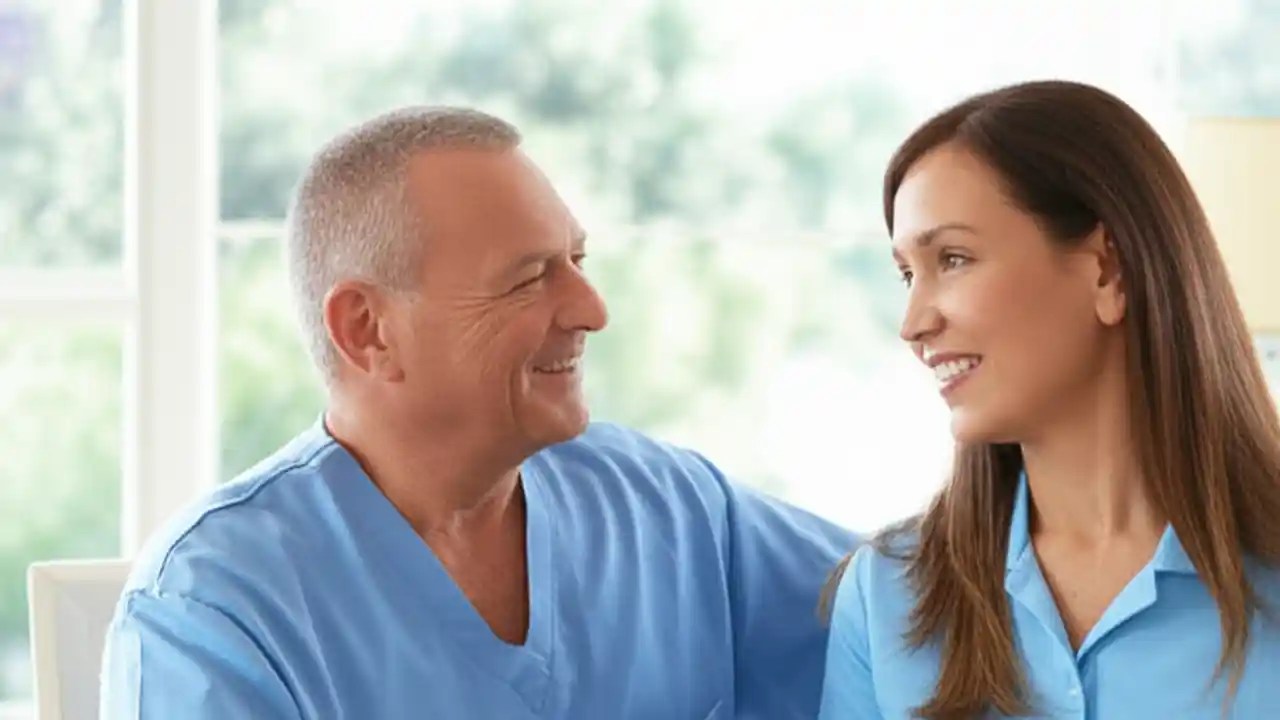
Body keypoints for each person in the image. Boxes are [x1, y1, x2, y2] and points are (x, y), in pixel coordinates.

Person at [100, 107, 856, 719]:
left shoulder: (667, 506)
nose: (590, 309)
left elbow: (926, 611)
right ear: (368, 330)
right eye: (529, 280)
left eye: (578, 263)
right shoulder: (214, 608)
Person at [820, 80, 1280, 719]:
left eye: (952, 259)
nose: (914, 322)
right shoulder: (885, 596)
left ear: (1105, 271)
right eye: (907, 274)